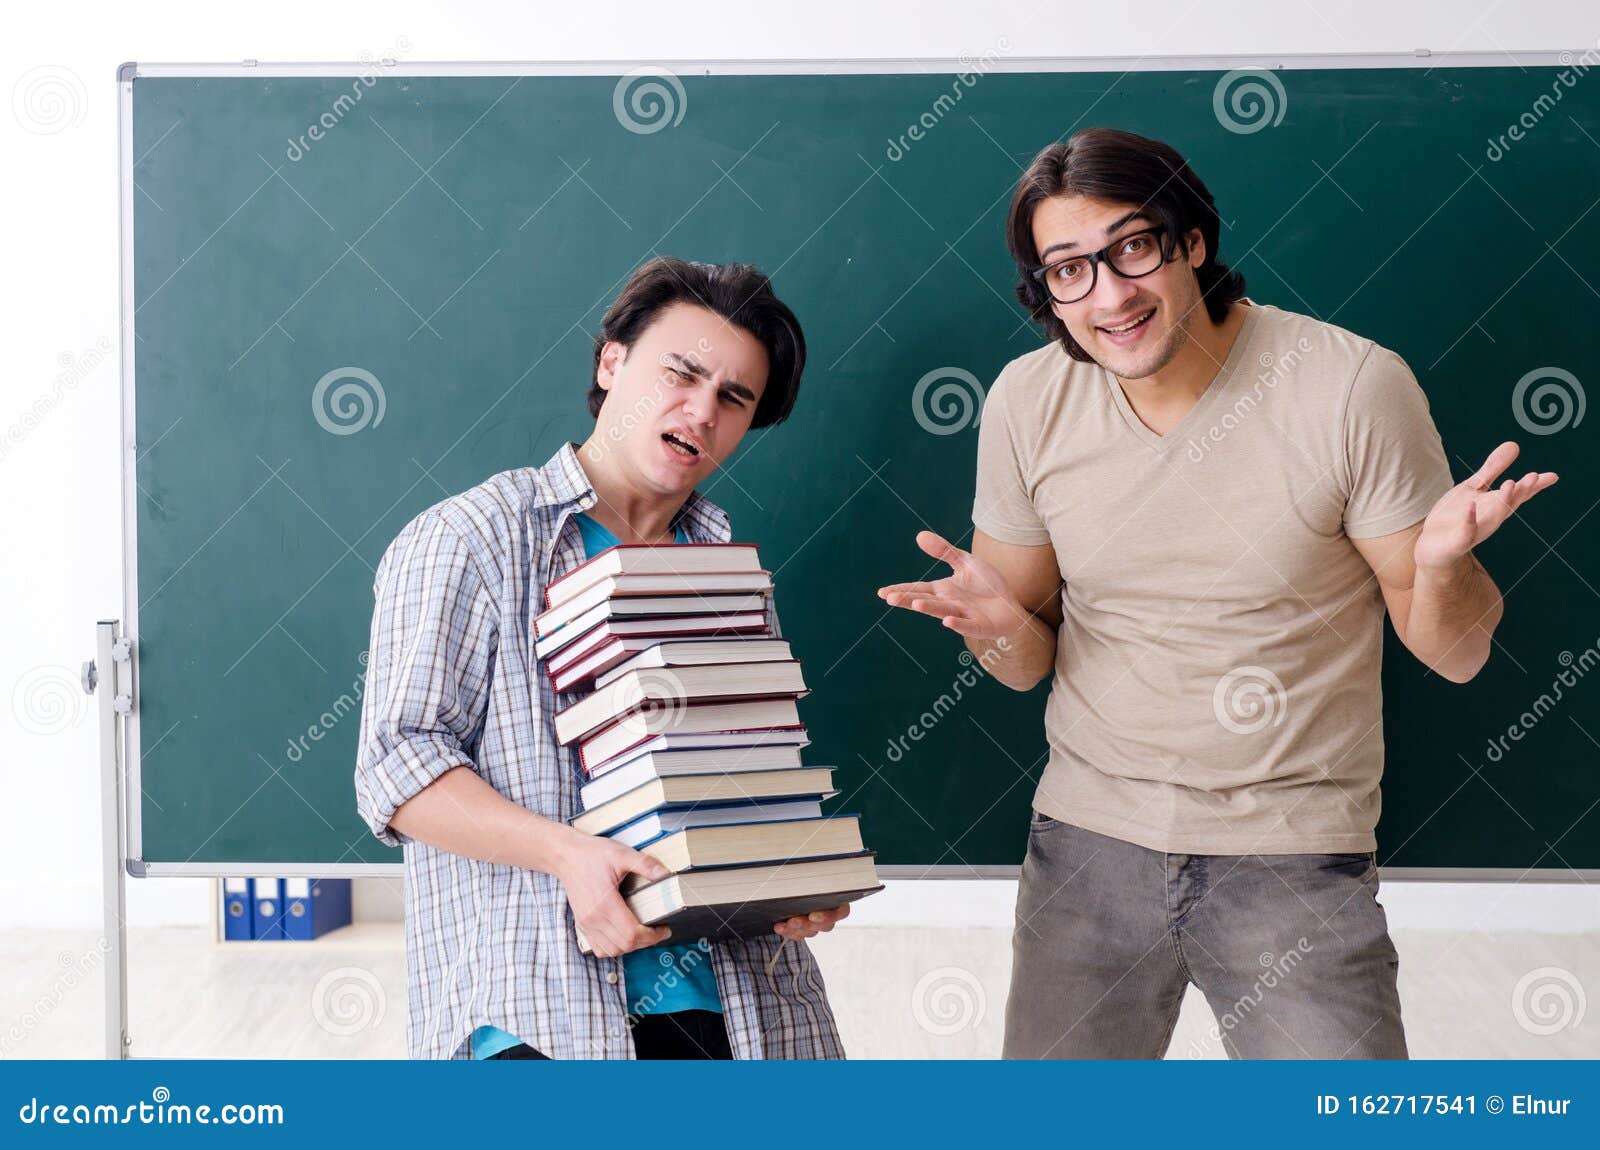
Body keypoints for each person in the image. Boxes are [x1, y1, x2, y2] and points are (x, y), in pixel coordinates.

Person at [879, 128, 1557, 1059]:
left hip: (1294, 858)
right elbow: (1023, 665)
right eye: (1069, 270)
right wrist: (997, 631)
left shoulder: (1351, 385)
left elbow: (1460, 650)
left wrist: (1443, 570)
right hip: (1086, 846)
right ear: (1045, 292)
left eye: (1133, 247)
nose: (1110, 295)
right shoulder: (1025, 402)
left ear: (1193, 240)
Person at [355, 257, 849, 1060]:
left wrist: (788, 879)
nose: (700, 411)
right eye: (680, 374)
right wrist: (569, 856)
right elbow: (395, 765)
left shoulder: (729, 571)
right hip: (542, 1014)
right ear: (611, 361)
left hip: (744, 1012)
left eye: (734, 398)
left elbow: (743, 781)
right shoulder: (469, 539)